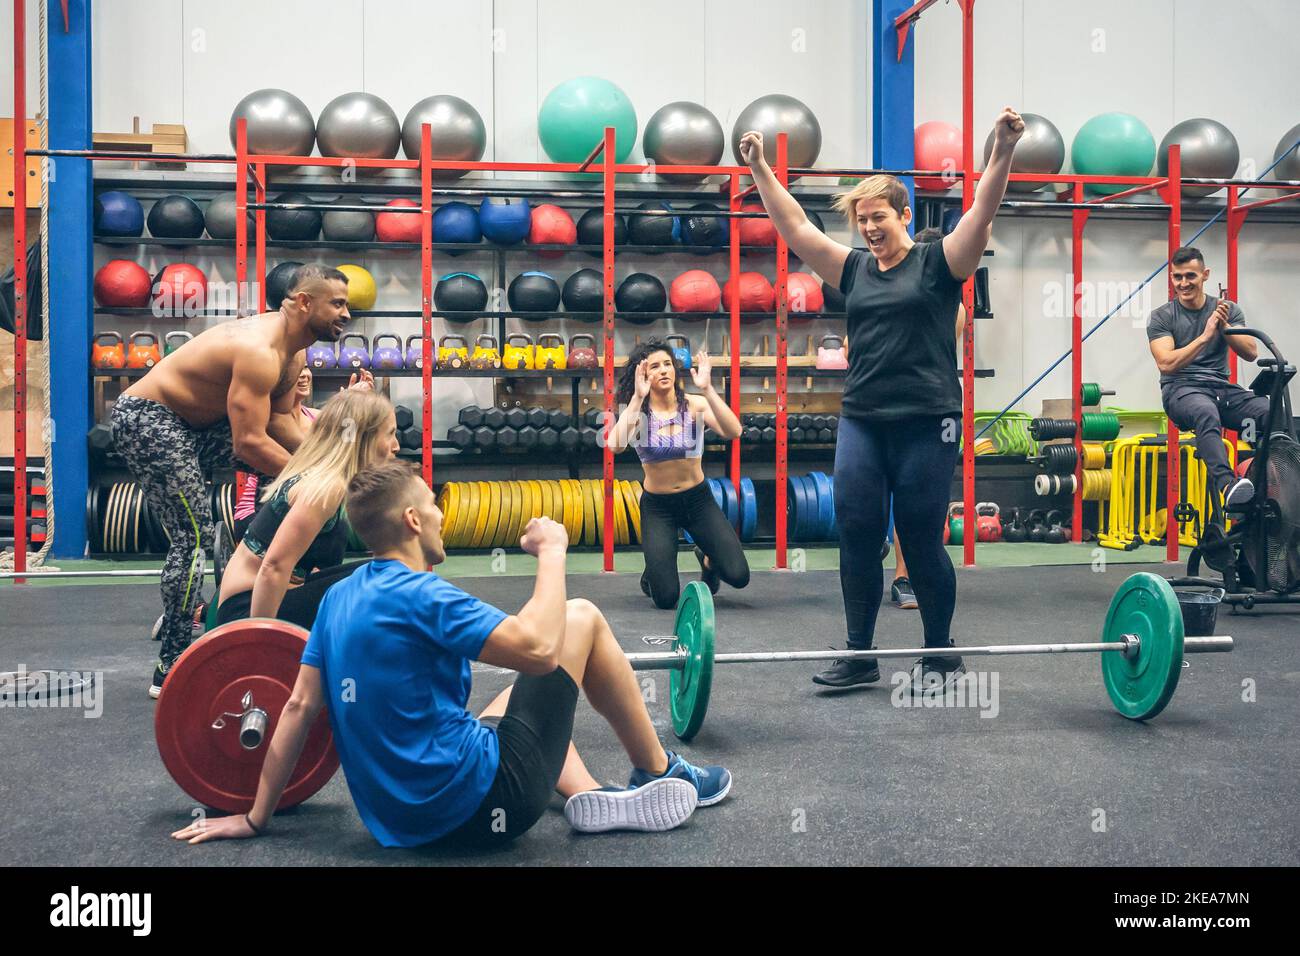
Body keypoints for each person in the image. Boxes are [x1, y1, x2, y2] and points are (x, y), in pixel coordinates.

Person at [172, 459, 732, 848]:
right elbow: (539, 649)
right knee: (579, 617)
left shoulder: (338, 597)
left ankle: (591, 798)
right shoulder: (425, 595)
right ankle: (657, 772)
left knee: (504, 705)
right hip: (487, 804)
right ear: (412, 521)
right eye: (433, 506)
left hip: (400, 824)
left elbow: (295, 709)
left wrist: (254, 815)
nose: (442, 514)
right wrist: (553, 552)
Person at [736, 108, 1024, 694]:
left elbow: (983, 210)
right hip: (863, 418)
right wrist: (762, 169)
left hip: (928, 419)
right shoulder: (855, 269)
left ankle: (941, 654)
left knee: (919, 535)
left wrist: (1002, 150)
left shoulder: (941, 262)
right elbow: (795, 230)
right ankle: (860, 653)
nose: (868, 228)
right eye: (861, 219)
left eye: (877, 217)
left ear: (904, 215)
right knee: (859, 529)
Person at [111, 263, 358, 696]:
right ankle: (170, 665)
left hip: (199, 427)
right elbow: (248, 445)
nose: (347, 313)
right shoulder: (259, 351)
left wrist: (331, 469)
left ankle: (204, 605)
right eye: (337, 303)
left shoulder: (294, 353)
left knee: (293, 479)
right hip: (148, 420)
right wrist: (313, 482)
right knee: (193, 536)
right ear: (304, 302)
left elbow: (282, 423)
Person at [212, 389, 399, 633]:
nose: (396, 445)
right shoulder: (327, 487)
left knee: (388, 570)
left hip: (267, 596)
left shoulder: (329, 479)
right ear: (365, 438)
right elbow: (273, 568)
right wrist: (257, 640)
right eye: (391, 434)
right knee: (385, 581)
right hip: (246, 609)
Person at [608, 340, 749, 609]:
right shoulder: (637, 413)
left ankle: (708, 561)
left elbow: (734, 431)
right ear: (642, 374)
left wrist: (708, 389)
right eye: (654, 367)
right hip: (658, 507)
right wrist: (637, 398)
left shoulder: (695, 405)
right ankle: (655, 568)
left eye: (667, 364)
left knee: (739, 575)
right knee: (666, 598)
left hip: (698, 501)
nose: (663, 371)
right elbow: (615, 446)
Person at [1147, 246, 1264, 515]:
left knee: (1268, 411)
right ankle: (1228, 486)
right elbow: (1166, 363)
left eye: (1190, 276)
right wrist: (1205, 334)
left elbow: (1250, 352)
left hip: (1222, 390)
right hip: (1181, 390)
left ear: (1205, 275)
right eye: (1177, 277)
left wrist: (1223, 325)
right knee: (1205, 411)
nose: (1184, 283)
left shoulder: (1227, 310)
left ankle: (1271, 480)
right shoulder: (1163, 316)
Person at [888, 226, 966, 610]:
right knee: (897, 502)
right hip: (887, 411)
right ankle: (902, 574)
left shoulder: (955, 307)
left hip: (934, 413)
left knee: (922, 503)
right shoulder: (891, 294)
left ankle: (915, 574)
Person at [232, 364, 320, 544]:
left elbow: (345, 443)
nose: (303, 375)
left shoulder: (318, 418)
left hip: (301, 509)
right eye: (296, 372)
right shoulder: (266, 420)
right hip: (257, 511)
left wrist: (351, 406)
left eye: (306, 368)